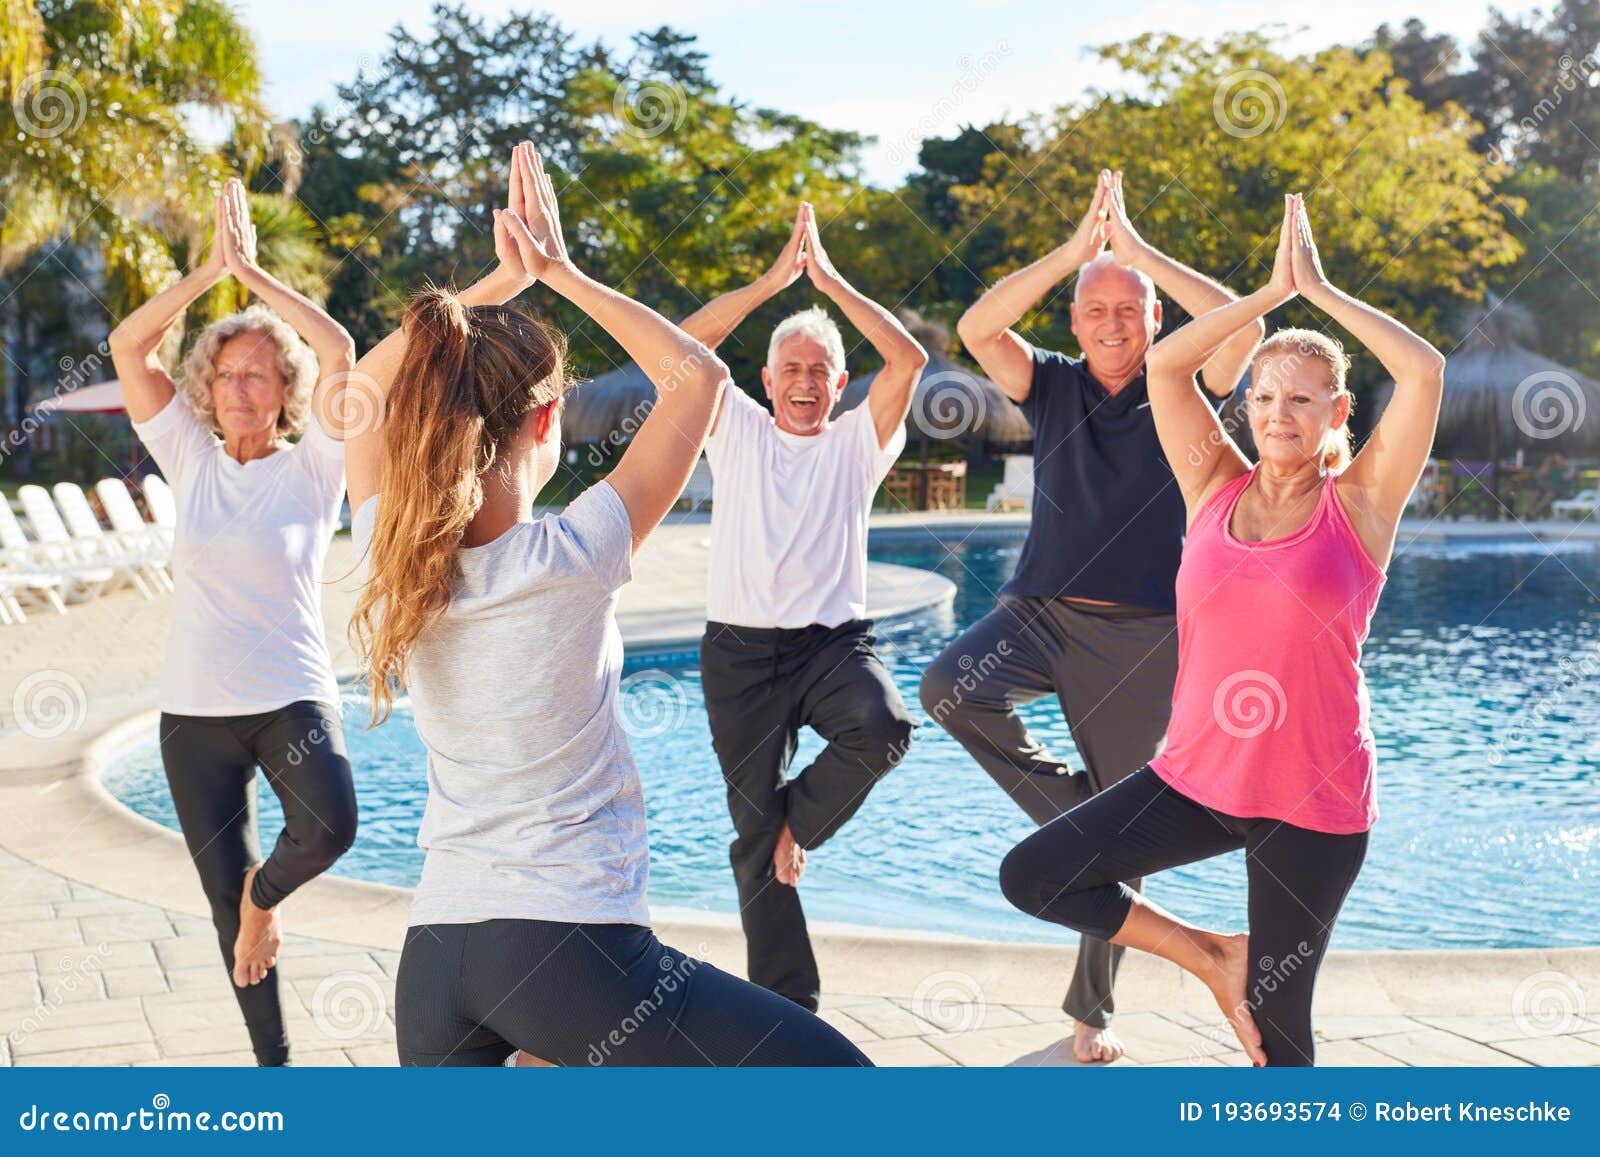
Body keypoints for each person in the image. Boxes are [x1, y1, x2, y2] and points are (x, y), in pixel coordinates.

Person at [344, 143, 868, 1066]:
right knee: (838, 1078)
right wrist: (556, 272)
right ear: (547, 421)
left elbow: (354, 392)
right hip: (569, 950)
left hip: (435, 960)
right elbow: (700, 379)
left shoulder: (393, 550)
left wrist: (481, 296)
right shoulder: (575, 553)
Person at [999, 195, 1445, 1067]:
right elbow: (1169, 368)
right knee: (1036, 873)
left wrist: (1314, 290)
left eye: (1302, 400)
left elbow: (1424, 371)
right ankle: (1211, 953)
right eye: (1264, 395)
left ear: (1338, 412)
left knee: (1279, 1047)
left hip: (1313, 799)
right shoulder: (1214, 486)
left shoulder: (1361, 505)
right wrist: (1264, 300)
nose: (1278, 413)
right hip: (1197, 774)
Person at [920, 170, 1260, 1062]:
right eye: (1095, 309)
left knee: (1118, 835)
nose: (1112, 323)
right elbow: (978, 327)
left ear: (1154, 320)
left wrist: (1139, 253)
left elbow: (1246, 329)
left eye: (1129, 310)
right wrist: (1077, 254)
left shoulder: (1183, 382)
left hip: (1147, 636)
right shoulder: (1053, 384)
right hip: (1040, 617)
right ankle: (1074, 816)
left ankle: (1090, 1015)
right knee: (949, 688)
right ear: (1074, 322)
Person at [108, 179, 360, 1067]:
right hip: (194, 716)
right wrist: (210, 271)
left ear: (285, 388)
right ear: (207, 389)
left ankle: (267, 900)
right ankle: (277, 1078)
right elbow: (127, 343)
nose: (239, 386)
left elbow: (340, 345)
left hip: (291, 695)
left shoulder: (318, 461)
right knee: (225, 908)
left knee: (328, 826)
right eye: (225, 373)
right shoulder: (189, 455)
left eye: (257, 372)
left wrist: (253, 274)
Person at [679, 202, 925, 1012]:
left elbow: (909, 355)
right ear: (767, 379)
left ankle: (798, 826)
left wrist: (829, 281)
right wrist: (770, 283)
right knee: (753, 846)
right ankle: (792, 1015)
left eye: (822, 370)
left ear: (840, 383)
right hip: (741, 658)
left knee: (884, 726)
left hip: (832, 650)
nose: (806, 382)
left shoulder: (860, 441)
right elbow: (687, 348)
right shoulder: (737, 427)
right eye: (792, 367)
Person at [1525, 451, 1575, 519]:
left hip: (1562, 490)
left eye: (1559, 458)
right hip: (1548, 488)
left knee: (1550, 493)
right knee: (1535, 492)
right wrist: (1546, 463)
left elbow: (1566, 477)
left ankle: (1534, 513)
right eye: (1555, 458)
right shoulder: (1551, 466)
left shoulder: (1569, 467)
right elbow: (1539, 475)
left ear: (1563, 458)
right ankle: (1529, 512)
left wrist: (1566, 467)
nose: (1557, 460)